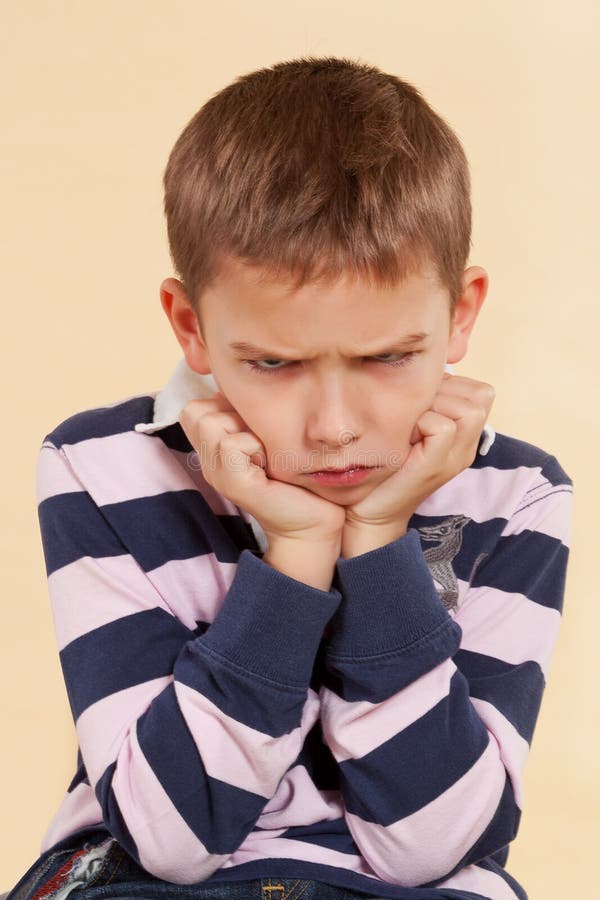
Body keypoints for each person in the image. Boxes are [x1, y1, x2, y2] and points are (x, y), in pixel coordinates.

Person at [6, 56, 572, 900]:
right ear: (191, 327)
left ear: (460, 314)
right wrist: (299, 553)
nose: (334, 426)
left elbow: (434, 847)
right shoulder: (100, 469)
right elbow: (171, 838)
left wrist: (377, 546)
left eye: (388, 357)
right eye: (273, 362)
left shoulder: (516, 496)